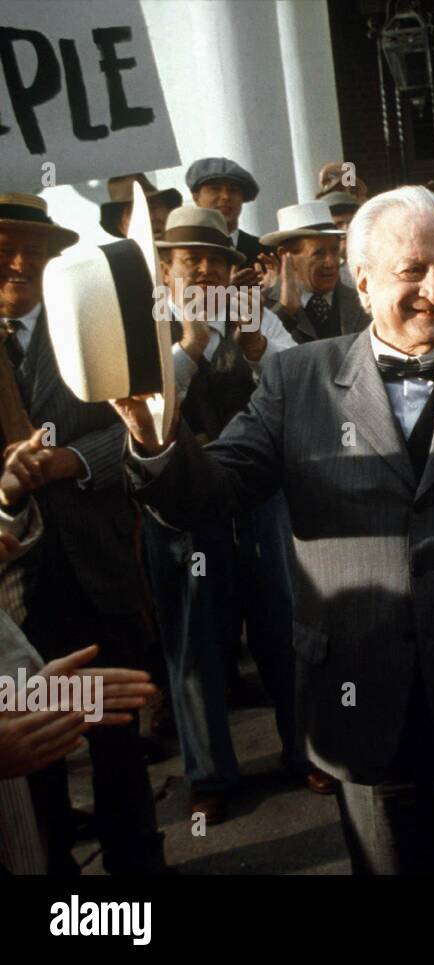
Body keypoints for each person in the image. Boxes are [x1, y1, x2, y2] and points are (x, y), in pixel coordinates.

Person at [110, 185, 434, 875]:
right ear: (362, 279)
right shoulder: (295, 377)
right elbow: (212, 492)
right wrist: (151, 434)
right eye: (412, 270)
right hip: (360, 697)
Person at [0, 193, 166, 874]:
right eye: (6, 245)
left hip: (97, 567)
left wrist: (74, 461)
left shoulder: (89, 324)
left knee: (115, 728)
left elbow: (134, 425)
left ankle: (137, 868)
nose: (19, 260)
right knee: (30, 745)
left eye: (33, 249)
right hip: (14, 589)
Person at [143, 206, 322, 822]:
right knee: (195, 640)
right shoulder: (148, 326)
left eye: (216, 259)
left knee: (282, 621)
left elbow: (297, 380)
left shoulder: (257, 314)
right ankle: (210, 773)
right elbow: (148, 413)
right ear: (166, 267)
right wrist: (192, 344)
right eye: (191, 259)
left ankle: (305, 752)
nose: (206, 270)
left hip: (259, 494)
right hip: (180, 507)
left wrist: (250, 344)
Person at [264, 201, 369, 343]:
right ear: (285, 255)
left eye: (334, 251)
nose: (331, 262)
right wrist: (285, 311)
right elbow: (250, 355)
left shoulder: (362, 301)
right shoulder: (259, 305)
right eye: (318, 254)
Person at [186, 157, 267, 285]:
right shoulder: (183, 252)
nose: (225, 196)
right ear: (196, 197)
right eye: (215, 188)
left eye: (233, 190)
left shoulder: (265, 253)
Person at [99, 173, 181, 239]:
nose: (150, 218)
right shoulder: (123, 259)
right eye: (137, 212)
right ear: (121, 227)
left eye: (154, 207)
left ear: (169, 211)